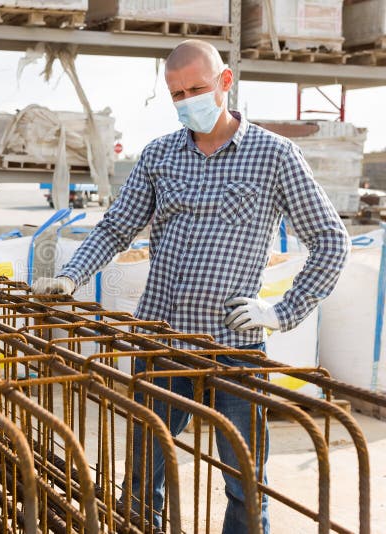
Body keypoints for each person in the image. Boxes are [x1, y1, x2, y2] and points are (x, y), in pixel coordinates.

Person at [31, 39, 350, 533]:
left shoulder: (274, 156)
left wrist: (281, 312)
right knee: (140, 478)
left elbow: (331, 241)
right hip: (159, 342)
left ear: (225, 83)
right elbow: (116, 228)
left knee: (246, 481)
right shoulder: (160, 155)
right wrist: (71, 276)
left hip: (235, 350)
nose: (187, 102)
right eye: (176, 94)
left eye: (196, 89)